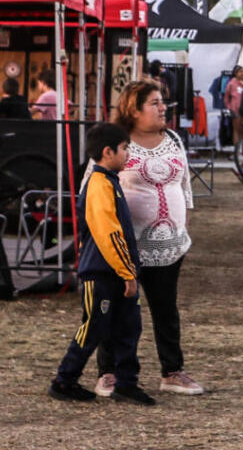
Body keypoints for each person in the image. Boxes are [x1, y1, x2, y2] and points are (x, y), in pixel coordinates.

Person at [94, 80, 203, 397]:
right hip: (125, 244)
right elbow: (96, 186)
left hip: (169, 244)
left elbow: (184, 184)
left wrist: (184, 222)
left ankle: (172, 371)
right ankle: (108, 372)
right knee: (117, 307)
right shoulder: (115, 141)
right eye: (155, 103)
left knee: (165, 308)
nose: (162, 108)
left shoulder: (172, 139)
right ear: (134, 109)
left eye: (162, 102)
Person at [48, 122, 153, 405]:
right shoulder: (98, 185)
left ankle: (127, 383)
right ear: (108, 152)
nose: (128, 153)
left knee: (129, 328)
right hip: (102, 273)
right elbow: (109, 234)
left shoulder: (109, 181)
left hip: (116, 272)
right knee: (93, 327)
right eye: (124, 148)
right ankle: (64, 380)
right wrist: (127, 273)